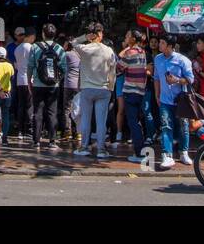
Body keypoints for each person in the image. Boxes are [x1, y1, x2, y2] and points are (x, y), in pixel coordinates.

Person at [70, 23, 116, 158]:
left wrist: (84, 37)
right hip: (104, 89)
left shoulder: (85, 49)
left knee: (86, 119)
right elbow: (113, 70)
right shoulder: (109, 50)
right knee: (101, 121)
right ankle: (101, 150)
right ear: (100, 34)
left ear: (91, 35)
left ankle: (84, 147)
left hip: (87, 88)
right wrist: (111, 87)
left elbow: (73, 42)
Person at [153, 34, 195, 171]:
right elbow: (156, 78)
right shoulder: (157, 59)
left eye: (162, 43)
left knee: (183, 126)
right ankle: (167, 155)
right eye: (160, 42)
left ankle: (184, 152)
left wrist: (176, 80)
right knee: (166, 126)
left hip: (181, 99)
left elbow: (190, 79)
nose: (160, 45)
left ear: (170, 46)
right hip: (164, 99)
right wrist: (157, 94)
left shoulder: (182, 60)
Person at [27, 23, 66, 150]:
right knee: (52, 112)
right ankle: (52, 141)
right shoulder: (59, 48)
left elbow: (30, 66)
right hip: (53, 85)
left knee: (37, 112)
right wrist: (57, 80)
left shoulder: (35, 47)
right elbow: (64, 68)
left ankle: (36, 141)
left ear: (43, 34)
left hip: (38, 84)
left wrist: (29, 81)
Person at [117, 29, 150, 162]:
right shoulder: (142, 52)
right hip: (140, 91)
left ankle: (139, 153)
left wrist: (125, 48)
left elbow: (118, 68)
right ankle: (141, 149)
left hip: (130, 91)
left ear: (132, 40)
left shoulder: (129, 52)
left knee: (133, 123)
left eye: (127, 36)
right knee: (137, 121)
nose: (125, 37)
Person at [11, 27, 34, 142]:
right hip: (29, 80)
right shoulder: (31, 48)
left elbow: (16, 65)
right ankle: (29, 130)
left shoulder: (17, 49)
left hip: (19, 80)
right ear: (30, 36)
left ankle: (20, 130)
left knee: (21, 105)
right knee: (29, 105)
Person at [0, 47, 15, 145]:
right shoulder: (10, 66)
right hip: (7, 93)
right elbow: (12, 77)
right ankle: (5, 137)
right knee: (5, 115)